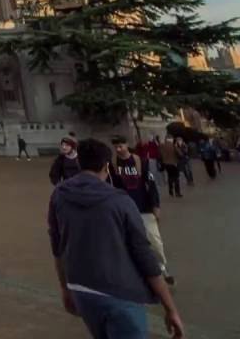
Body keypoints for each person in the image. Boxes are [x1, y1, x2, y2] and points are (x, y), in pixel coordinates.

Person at [49, 138, 184, 339]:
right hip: (119, 292)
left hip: (81, 289)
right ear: (106, 166)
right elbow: (144, 255)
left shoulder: (59, 194)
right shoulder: (119, 200)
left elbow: (58, 248)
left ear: (79, 163)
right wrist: (170, 307)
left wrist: (65, 288)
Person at [110, 138, 175, 287]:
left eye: (120, 146)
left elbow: (151, 184)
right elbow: (109, 186)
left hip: (144, 208)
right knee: (128, 243)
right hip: (123, 210)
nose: (118, 149)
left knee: (155, 241)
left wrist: (155, 205)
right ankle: (139, 274)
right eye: (116, 147)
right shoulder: (111, 165)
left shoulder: (141, 162)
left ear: (127, 145)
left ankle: (163, 268)